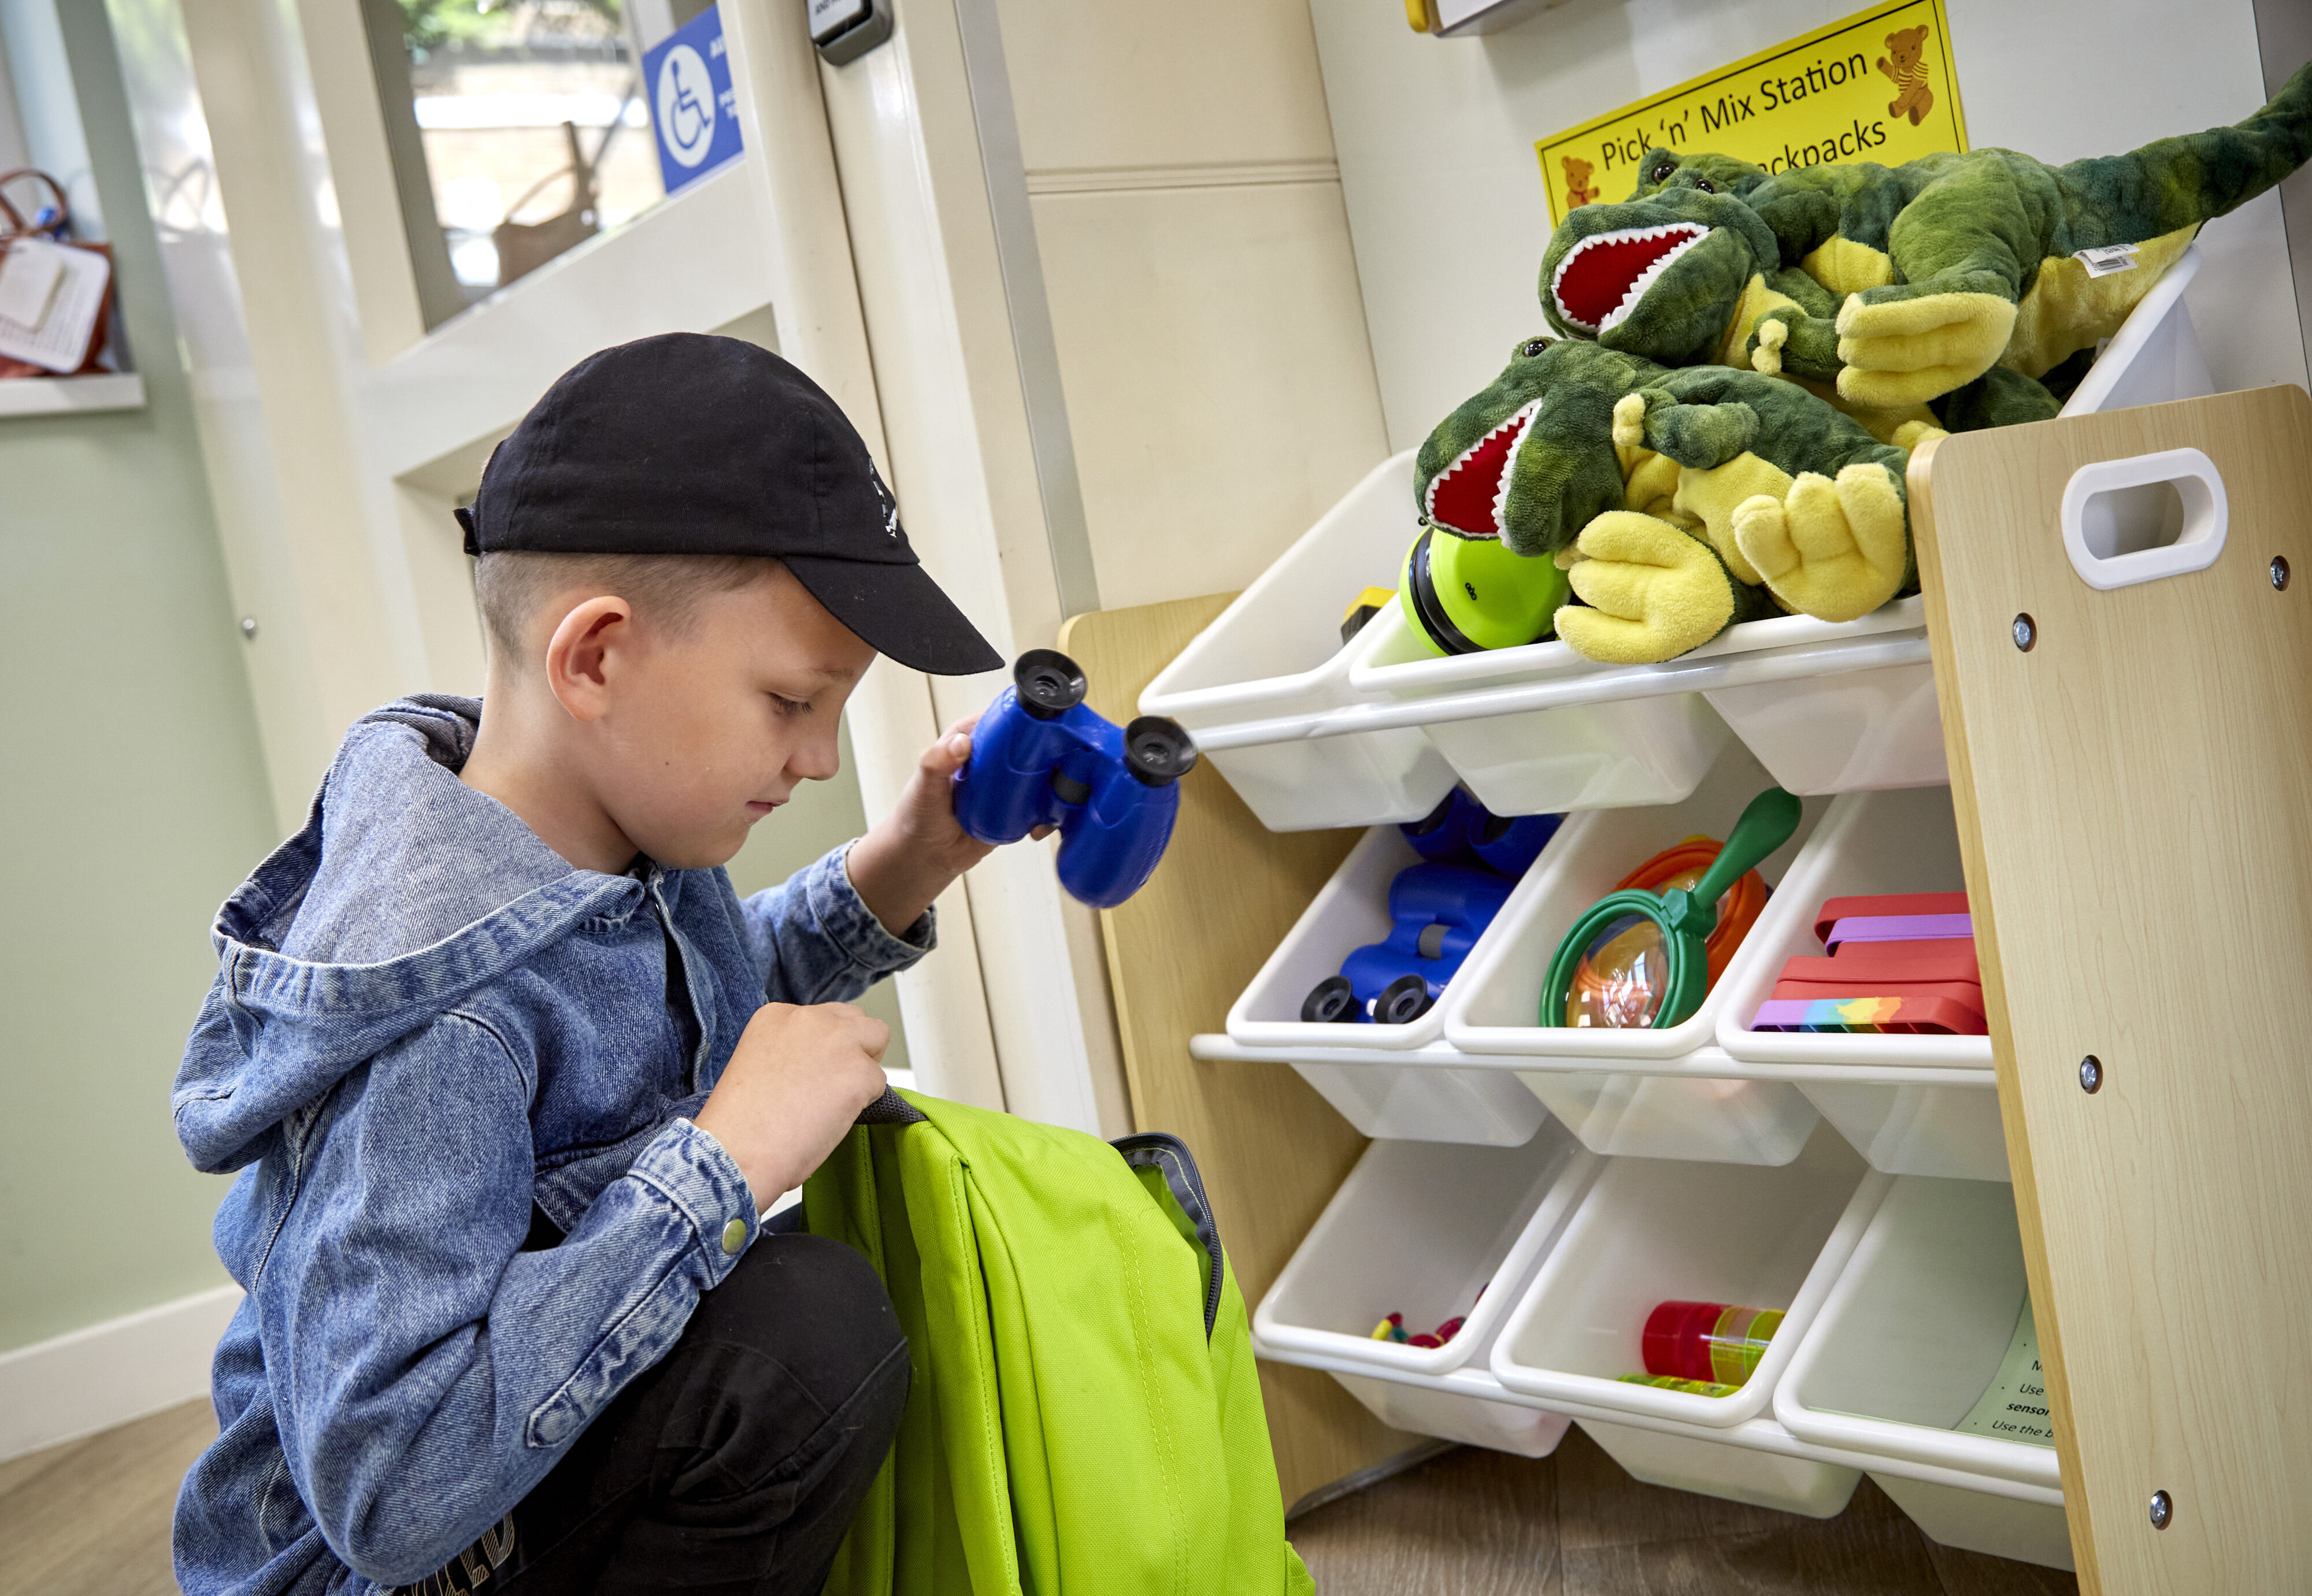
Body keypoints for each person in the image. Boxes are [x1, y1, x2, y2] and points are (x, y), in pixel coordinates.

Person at [170, 334, 1010, 1596]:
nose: (821, 758)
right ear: (595, 659)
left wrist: (902, 864)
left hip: (501, 1500)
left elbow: (670, 1010)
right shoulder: (438, 1015)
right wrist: (716, 1168)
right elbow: (390, 1492)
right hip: (375, 1564)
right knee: (795, 1341)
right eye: (792, 702)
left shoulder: (620, 846)